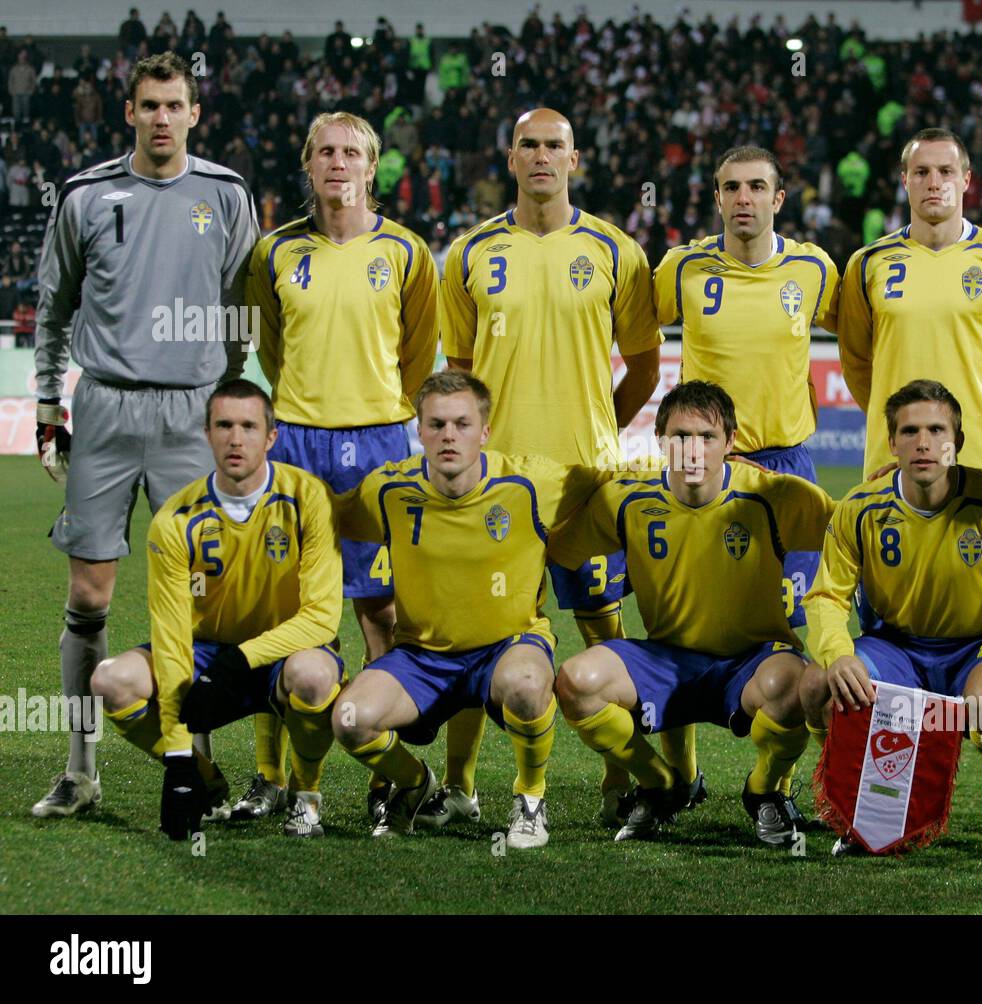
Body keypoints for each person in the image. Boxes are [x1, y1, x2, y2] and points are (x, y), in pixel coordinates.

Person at [31, 52, 260, 818]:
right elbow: (53, 311)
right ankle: (79, 770)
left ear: (195, 114)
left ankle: (201, 760)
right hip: (103, 410)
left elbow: (239, 312)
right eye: (148, 105)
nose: (162, 117)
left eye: (175, 105)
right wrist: (46, 412)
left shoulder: (226, 195)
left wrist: (223, 402)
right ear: (127, 112)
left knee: (200, 599)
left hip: (189, 412)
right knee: (89, 594)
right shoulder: (87, 194)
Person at [437, 107, 663, 827]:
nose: (541, 156)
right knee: (479, 631)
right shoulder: (469, 253)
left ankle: (620, 781)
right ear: (510, 158)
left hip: (586, 484)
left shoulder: (614, 250)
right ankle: (459, 787)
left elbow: (644, 367)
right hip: (498, 485)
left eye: (554, 146)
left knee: (604, 629)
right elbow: (461, 374)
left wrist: (598, 430)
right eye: (528, 144)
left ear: (575, 160)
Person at [244, 111, 438, 822]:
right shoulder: (272, 253)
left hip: (382, 444)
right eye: (324, 151)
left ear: (372, 166)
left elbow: (418, 354)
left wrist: (379, 407)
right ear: (308, 162)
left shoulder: (408, 254)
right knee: (294, 616)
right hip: (295, 444)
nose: (337, 163)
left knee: (380, 610)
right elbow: (271, 349)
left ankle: (386, 778)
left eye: (351, 152)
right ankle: (299, 784)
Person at [330, 371, 611, 847]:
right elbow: (328, 514)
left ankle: (531, 800)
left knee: (525, 686)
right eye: (436, 425)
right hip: (422, 656)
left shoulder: (529, 482)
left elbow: (608, 481)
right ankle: (418, 783)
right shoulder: (389, 490)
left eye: (462, 424)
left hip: (508, 646)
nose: (448, 436)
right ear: (418, 431)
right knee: (350, 719)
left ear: (484, 431)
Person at [802, 379, 982, 859]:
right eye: (909, 431)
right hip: (897, 647)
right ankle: (860, 811)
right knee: (820, 685)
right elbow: (825, 595)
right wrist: (838, 653)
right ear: (891, 443)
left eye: (935, 430)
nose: (923, 443)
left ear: (958, 441)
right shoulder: (860, 509)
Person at [553, 381, 834, 846]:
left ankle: (764, 792)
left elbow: (851, 533)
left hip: (751, 660)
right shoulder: (627, 500)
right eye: (681, 436)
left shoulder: (776, 496)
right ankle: (659, 784)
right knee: (576, 682)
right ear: (661, 441)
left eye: (707, 437)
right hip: (666, 659)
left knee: (796, 687)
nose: (693, 449)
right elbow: (557, 548)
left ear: (730, 442)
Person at [651, 145, 838, 824]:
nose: (743, 199)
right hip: (703, 465)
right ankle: (683, 776)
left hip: (787, 468)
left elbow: (863, 335)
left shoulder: (816, 269)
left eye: (757, 186)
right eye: (731, 186)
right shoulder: (683, 269)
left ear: (778, 199)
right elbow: (634, 335)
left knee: (794, 627)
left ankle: (774, 785)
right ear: (717, 195)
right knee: (677, 622)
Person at [89, 380, 344, 839]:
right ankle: (206, 780)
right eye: (224, 425)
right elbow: (170, 637)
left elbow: (323, 617)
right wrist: (180, 758)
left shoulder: (309, 499)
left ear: (271, 437)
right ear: (206, 433)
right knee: (112, 681)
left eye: (249, 426)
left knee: (314, 676)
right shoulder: (175, 519)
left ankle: (305, 796)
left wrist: (242, 658)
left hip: (281, 656)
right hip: (206, 656)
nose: (235, 438)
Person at [837, 128, 982, 480]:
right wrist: (900, 421)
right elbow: (855, 360)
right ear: (905, 181)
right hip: (893, 461)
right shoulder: (867, 264)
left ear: (966, 180)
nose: (934, 182)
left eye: (946, 172)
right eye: (921, 172)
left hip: (980, 458)